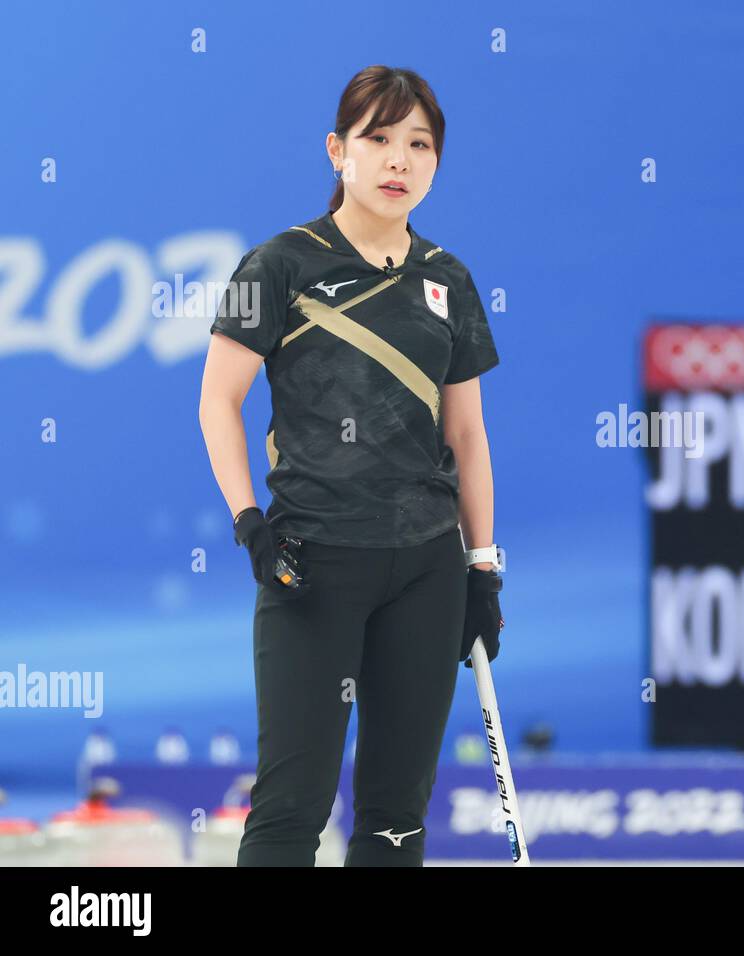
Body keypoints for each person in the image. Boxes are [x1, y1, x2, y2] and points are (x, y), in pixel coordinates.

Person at [198, 65, 504, 866]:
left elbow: (468, 438)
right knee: (291, 810)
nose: (398, 160)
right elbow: (216, 404)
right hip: (312, 564)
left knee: (398, 818)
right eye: (378, 139)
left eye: (419, 144)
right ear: (338, 151)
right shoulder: (278, 266)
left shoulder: (450, 280)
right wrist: (251, 526)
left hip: (426, 570)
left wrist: (482, 569)